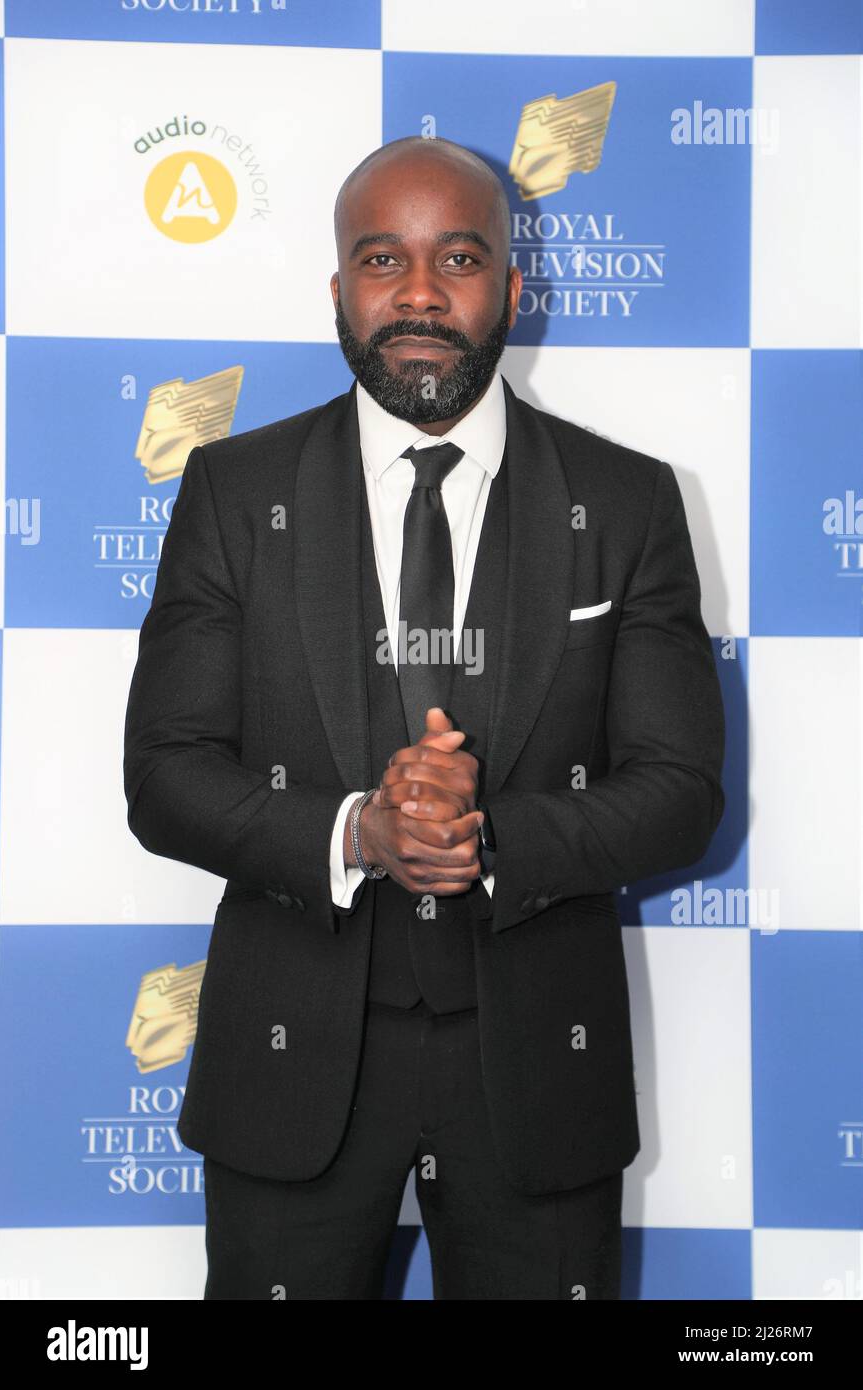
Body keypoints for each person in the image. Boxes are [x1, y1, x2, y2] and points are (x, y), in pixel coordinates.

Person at [123, 135, 725, 1300]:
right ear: (338, 291)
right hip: (289, 1057)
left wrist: (486, 838)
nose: (416, 293)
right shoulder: (234, 495)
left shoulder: (631, 501)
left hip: (538, 1065)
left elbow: (680, 789)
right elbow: (165, 772)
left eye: (456, 257)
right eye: (378, 259)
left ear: (510, 286)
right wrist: (357, 830)